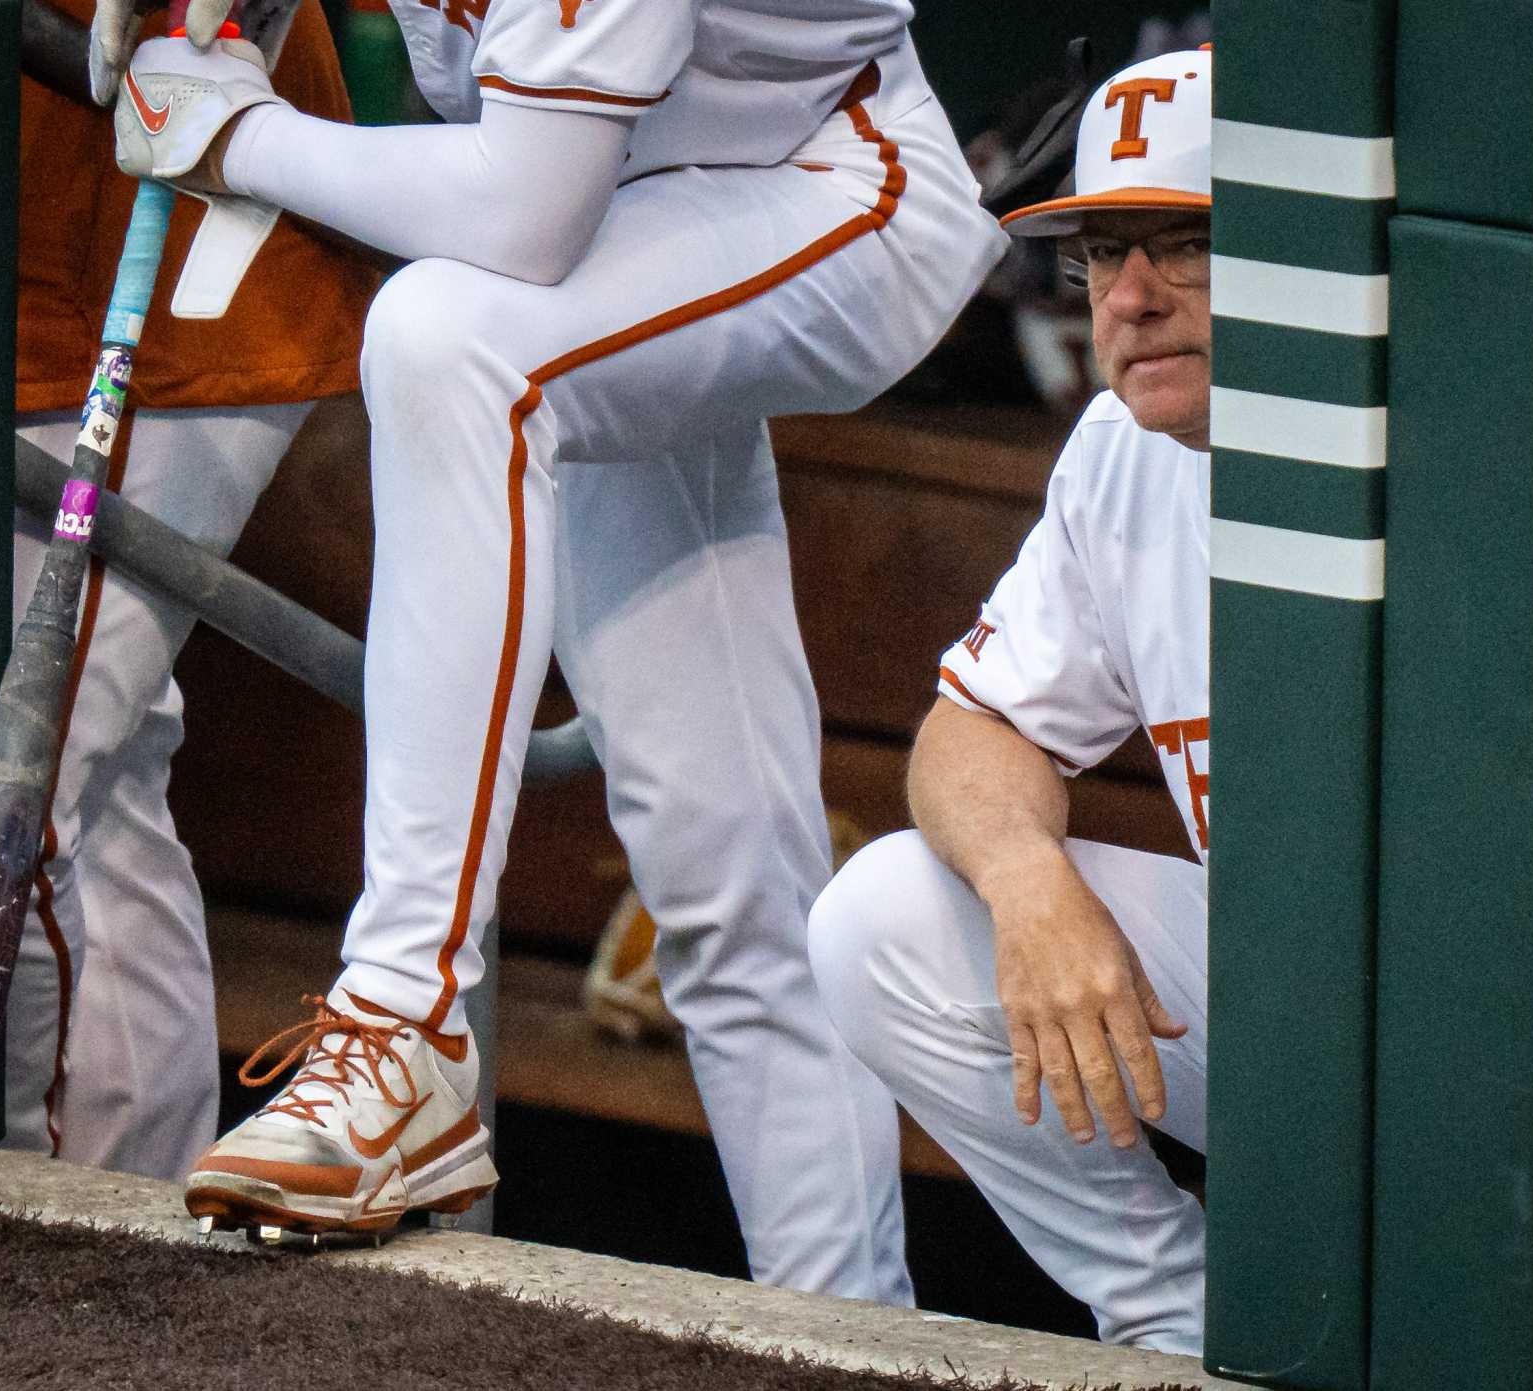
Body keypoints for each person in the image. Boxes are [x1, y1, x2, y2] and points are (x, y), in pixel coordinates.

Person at [92, 0, 1005, 1298]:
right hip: (637, 241)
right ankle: (849, 1325)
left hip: (830, 187)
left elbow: (524, 209)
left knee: (447, 337)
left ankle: (404, 1017)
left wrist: (239, 137)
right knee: (726, 872)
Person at [806, 48, 1214, 1351]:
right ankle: (1184, 1327)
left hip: (1522, 1039)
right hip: (1304, 999)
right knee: (886, 918)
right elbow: (977, 730)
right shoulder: (1122, 452)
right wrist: (1028, 876)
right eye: (1103, 254)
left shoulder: (1466, 438)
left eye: (1185, 246)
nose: (1131, 298)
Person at [0, 0, 377, 1182]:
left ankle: (17, 1218)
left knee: (27, 780)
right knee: (94, 787)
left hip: (166, 248)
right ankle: (121, 1227)